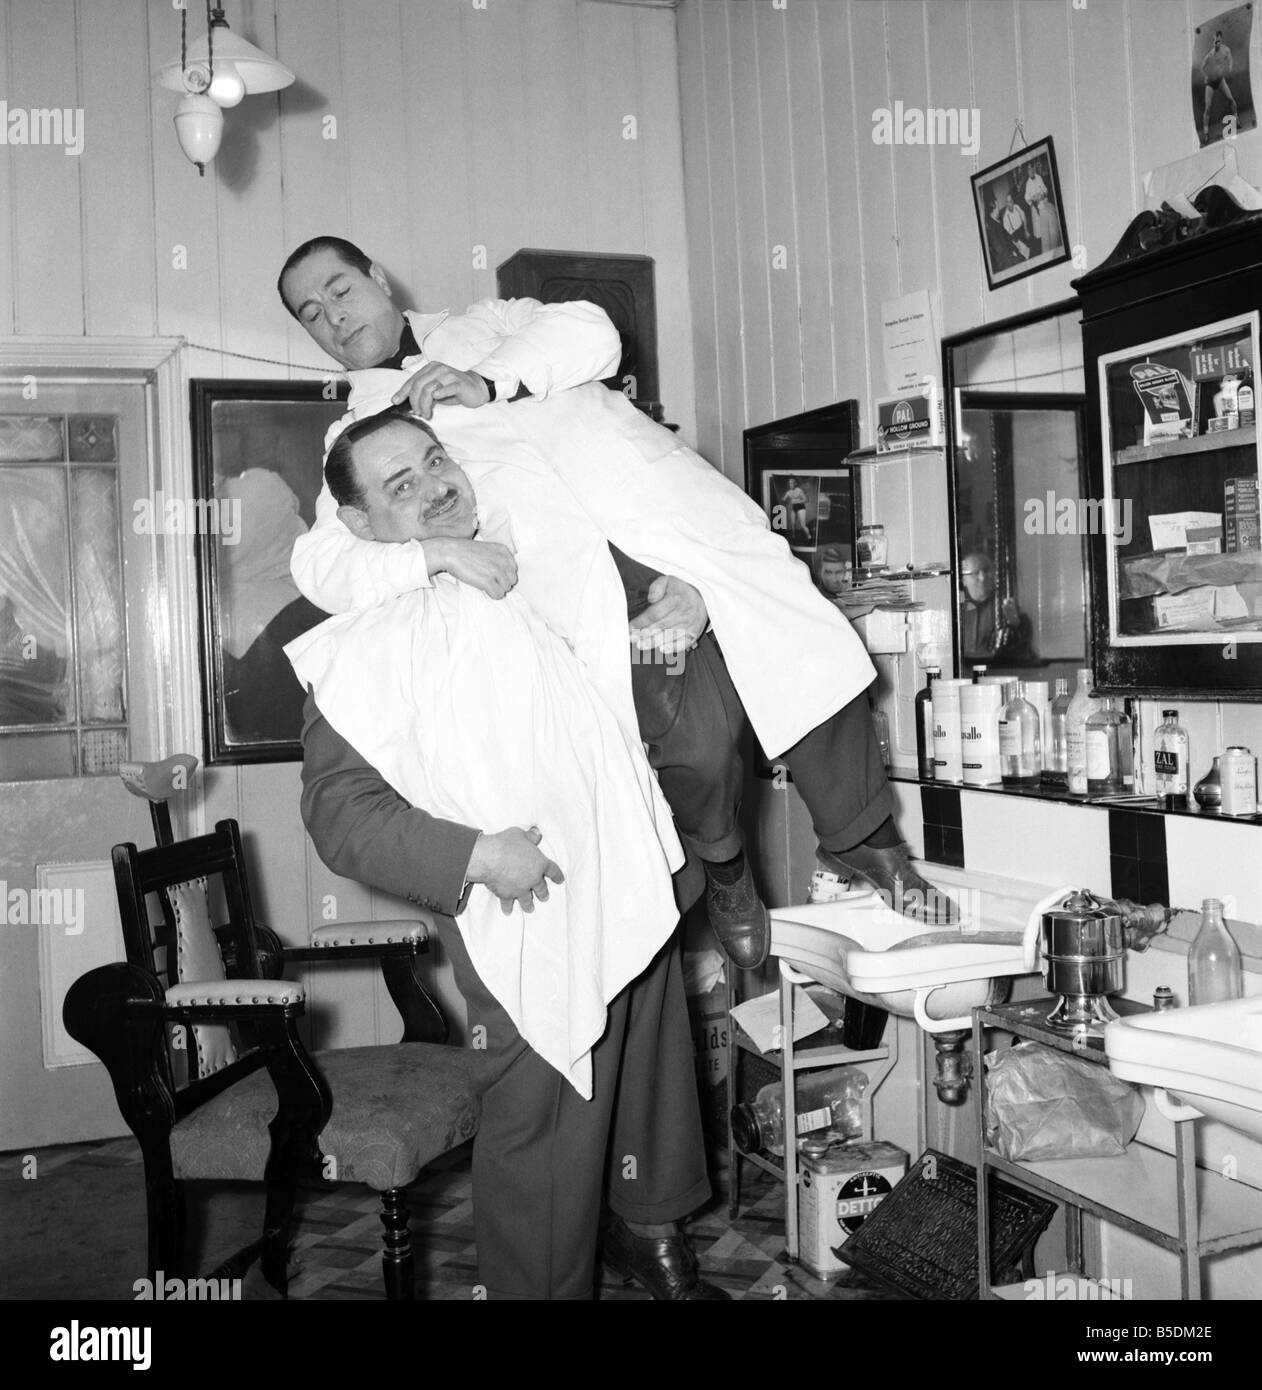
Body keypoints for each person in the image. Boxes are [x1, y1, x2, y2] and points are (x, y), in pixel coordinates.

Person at [278, 237, 954, 950]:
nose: (335, 318)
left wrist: (491, 378)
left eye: (341, 290)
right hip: (582, 580)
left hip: (674, 515)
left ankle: (868, 844)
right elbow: (319, 563)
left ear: (378, 276)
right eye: (312, 314)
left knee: (812, 652)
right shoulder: (356, 436)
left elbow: (596, 333)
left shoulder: (490, 322)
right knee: (693, 743)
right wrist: (435, 554)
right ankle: (724, 861)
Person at [292, 409, 723, 1299]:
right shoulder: (363, 644)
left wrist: (685, 594)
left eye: (436, 461)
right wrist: (478, 853)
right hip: (526, 914)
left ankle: (640, 1241)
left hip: (624, 885)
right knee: (546, 1147)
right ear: (365, 528)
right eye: (399, 486)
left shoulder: (508, 577)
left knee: (624, 1111)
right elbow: (340, 816)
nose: (436, 484)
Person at [959, 550, 1036, 666]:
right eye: (975, 573)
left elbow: (1024, 649)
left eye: (986, 571)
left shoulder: (1006, 606)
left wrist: (1016, 623)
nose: (982, 577)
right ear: (964, 580)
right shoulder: (956, 610)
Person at [1201, 30, 1238, 143]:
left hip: (1220, 81)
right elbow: (1202, 68)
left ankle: (1237, 120)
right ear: (1212, 41)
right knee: (1208, 107)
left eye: (1218, 41)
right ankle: (1206, 133)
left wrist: (1230, 65)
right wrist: (1205, 76)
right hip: (1211, 83)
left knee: (1230, 99)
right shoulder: (1209, 55)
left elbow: (1230, 59)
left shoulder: (1226, 50)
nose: (1216, 43)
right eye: (1214, 41)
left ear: (1220, 40)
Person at [781, 475, 811, 545]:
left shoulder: (799, 490)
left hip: (801, 507)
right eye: (789, 483)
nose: (791, 484)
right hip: (794, 508)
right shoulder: (788, 492)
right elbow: (783, 499)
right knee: (792, 524)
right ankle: (793, 537)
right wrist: (782, 499)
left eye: (792, 483)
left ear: (795, 483)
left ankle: (809, 537)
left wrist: (796, 501)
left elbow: (806, 499)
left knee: (803, 525)